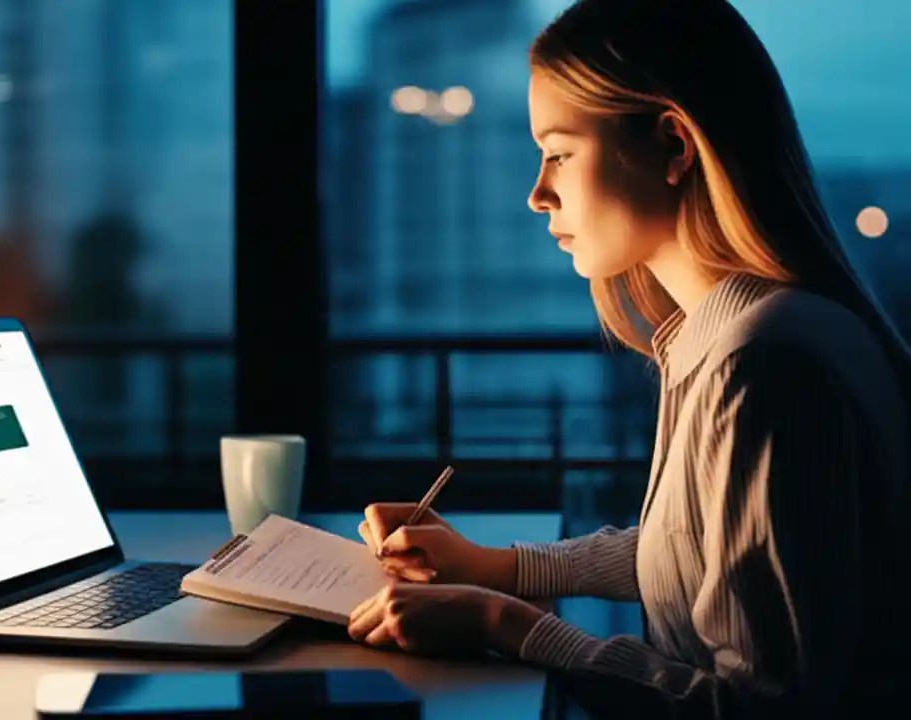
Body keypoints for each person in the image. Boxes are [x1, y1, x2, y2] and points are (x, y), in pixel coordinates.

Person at [345, 0, 911, 716]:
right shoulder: (728, 334)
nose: (536, 194)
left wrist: (508, 624)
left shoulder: (763, 367)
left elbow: (756, 706)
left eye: (558, 153)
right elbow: (696, 547)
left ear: (674, 146)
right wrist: (500, 569)